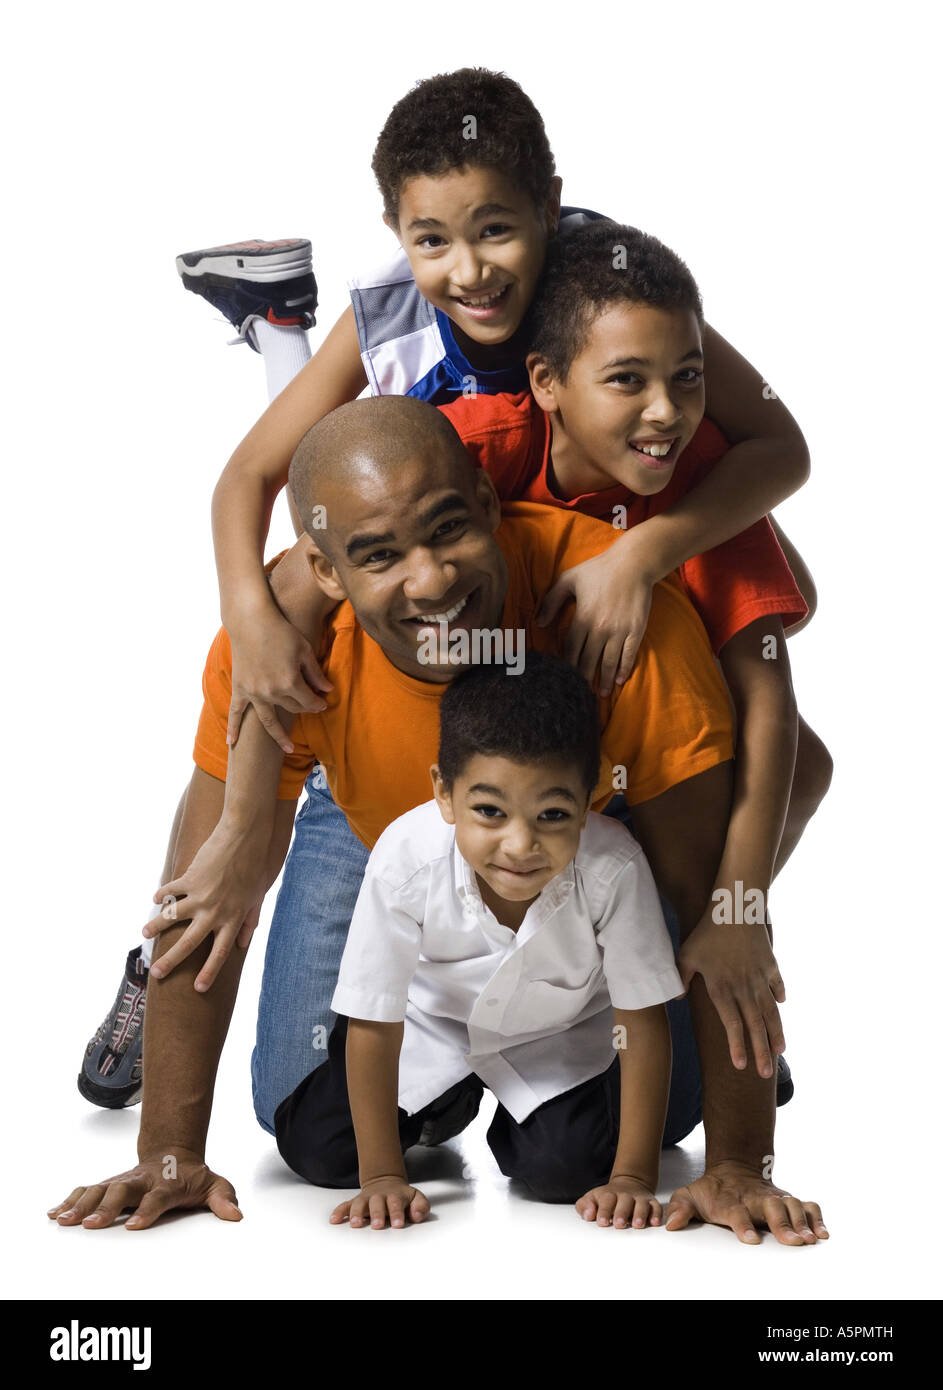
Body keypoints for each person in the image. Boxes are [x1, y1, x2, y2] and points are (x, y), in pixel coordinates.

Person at [52, 397, 827, 1245]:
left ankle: (599, 1058)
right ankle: (446, 1071)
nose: (430, 582)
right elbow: (200, 905)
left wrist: (739, 1162)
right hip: (370, 822)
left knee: (615, 1137)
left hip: (577, 848)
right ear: (323, 571)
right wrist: (167, 1153)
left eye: (448, 531)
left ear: (489, 508)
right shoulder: (279, 649)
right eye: (379, 556)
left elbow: (711, 897)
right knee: (303, 1124)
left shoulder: (616, 612)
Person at [274, 654, 685, 1230]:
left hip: (557, 1037)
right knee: (314, 1148)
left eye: (553, 814)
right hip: (428, 1025)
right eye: (489, 811)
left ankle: (522, 1125)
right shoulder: (405, 856)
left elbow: (641, 1019)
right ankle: (442, 1106)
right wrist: (382, 1177)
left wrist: (634, 1178)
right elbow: (373, 1017)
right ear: (444, 793)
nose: (520, 845)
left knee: (565, 1174)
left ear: (591, 798)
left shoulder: (613, 866)